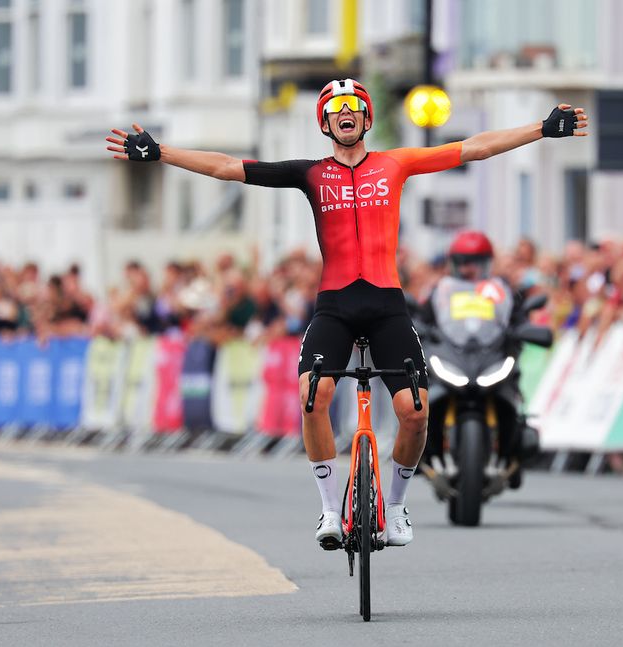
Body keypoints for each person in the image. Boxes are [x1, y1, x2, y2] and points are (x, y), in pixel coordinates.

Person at [106, 78, 589, 549]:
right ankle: (330, 510)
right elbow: (228, 167)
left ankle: (396, 507)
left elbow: (474, 148)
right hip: (335, 306)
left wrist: (541, 129)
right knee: (313, 397)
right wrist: (161, 152)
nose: (346, 118)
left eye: (354, 112)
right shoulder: (311, 173)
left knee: (414, 412)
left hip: (386, 305)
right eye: (337, 113)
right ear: (325, 124)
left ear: (366, 119)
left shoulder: (394, 164)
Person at [415, 230, 537, 489]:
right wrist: (415, 328)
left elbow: (518, 321)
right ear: (454, 263)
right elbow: (423, 320)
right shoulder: (441, 291)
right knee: (423, 399)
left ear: (487, 263)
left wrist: (524, 330)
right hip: (454, 358)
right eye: (463, 262)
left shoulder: (501, 291)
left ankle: (511, 449)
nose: (469, 268)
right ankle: (424, 450)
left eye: (476, 262)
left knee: (511, 391)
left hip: (491, 358)